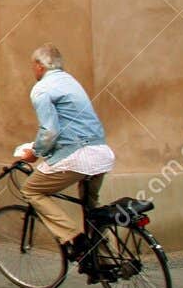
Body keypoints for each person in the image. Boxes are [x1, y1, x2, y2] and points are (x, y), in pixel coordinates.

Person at [13, 44, 114, 266]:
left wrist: (34, 153)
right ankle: (105, 260)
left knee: (31, 190)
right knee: (90, 206)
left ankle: (75, 239)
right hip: (101, 152)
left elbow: (50, 131)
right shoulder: (71, 82)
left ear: (39, 66)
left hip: (77, 155)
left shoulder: (41, 89)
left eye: (33, 65)